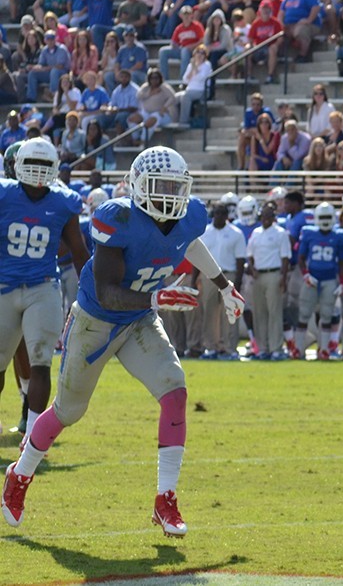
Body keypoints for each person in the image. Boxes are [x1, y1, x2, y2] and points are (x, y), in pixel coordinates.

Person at [2, 147, 245, 536]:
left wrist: (224, 285)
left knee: (175, 390)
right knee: (68, 411)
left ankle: (165, 499)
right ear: (137, 186)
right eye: (159, 185)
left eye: (174, 186)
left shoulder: (189, 215)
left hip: (140, 320)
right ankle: (21, 473)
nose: (168, 193)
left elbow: (190, 241)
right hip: (96, 320)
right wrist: (158, 298)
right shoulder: (120, 217)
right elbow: (108, 290)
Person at [0, 139, 90, 455]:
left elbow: (79, 251)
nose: (38, 172)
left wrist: (92, 293)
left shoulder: (64, 202)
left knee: (40, 362)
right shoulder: (4, 194)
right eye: (33, 164)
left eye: (44, 165)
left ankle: (33, 439)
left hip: (42, 287)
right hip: (4, 287)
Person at [296, 202, 343, 360]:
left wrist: (342, 282)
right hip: (311, 278)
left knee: (327, 315)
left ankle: (324, 349)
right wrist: (305, 274)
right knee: (304, 314)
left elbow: (342, 262)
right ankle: (298, 349)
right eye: (322, 217)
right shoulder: (309, 232)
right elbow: (301, 257)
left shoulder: (339, 235)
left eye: (327, 217)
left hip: (330, 279)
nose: (325, 220)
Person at [199, 202, 247, 360]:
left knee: (231, 312)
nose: (218, 216)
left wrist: (238, 283)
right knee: (209, 313)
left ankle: (229, 348)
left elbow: (240, 260)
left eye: (222, 213)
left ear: (227, 216)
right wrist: (194, 279)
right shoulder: (204, 232)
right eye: (216, 213)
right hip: (208, 277)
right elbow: (198, 257)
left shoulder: (236, 233)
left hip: (229, 275)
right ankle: (211, 347)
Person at [246, 202, 291, 359]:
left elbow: (285, 258)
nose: (265, 219)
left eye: (269, 216)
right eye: (263, 216)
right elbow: (249, 254)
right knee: (259, 313)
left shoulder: (280, 233)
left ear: (273, 218)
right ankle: (263, 348)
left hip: (274, 273)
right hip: (258, 276)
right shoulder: (256, 233)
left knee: (274, 312)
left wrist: (283, 278)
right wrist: (252, 269)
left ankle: (276, 348)